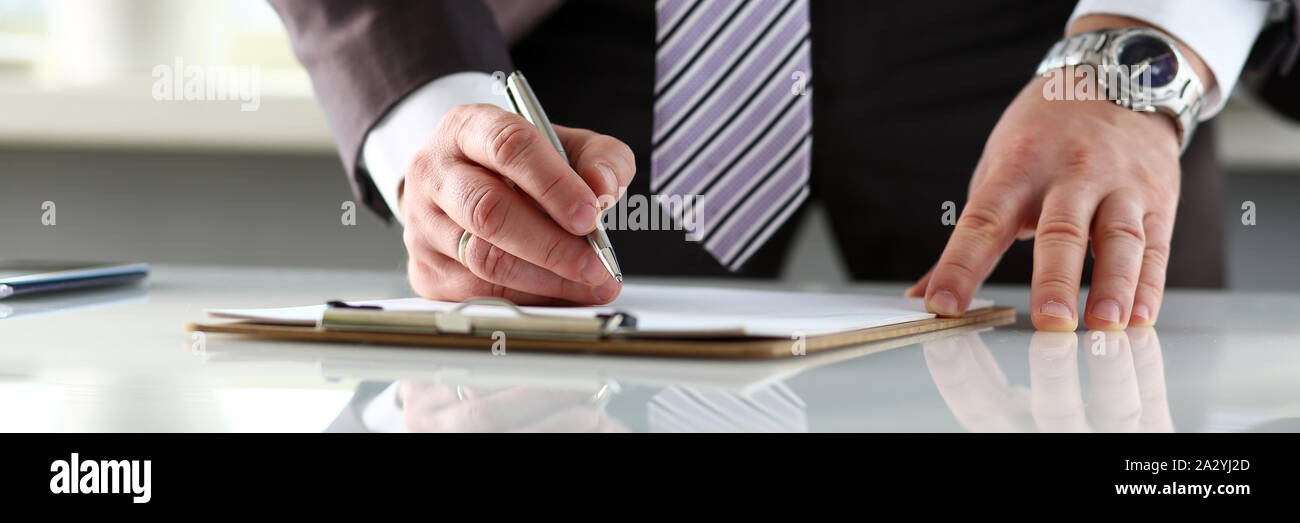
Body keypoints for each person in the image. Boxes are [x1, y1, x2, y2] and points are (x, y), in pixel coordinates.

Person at [270, 0, 1299, 331]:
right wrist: (437, 115)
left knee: (1100, 391)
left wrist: (1138, 59)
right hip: (575, 61)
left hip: (1040, 57)